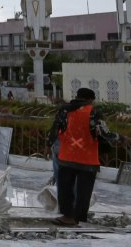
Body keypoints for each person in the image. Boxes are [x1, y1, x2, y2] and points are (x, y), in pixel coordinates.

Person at [50, 87, 124, 226]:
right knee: (83, 191)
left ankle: (67, 216)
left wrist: (49, 145)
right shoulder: (93, 112)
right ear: (91, 100)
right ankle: (79, 218)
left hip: (66, 156)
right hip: (87, 159)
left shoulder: (65, 110)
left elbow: (54, 129)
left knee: (65, 188)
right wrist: (122, 138)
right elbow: (104, 133)